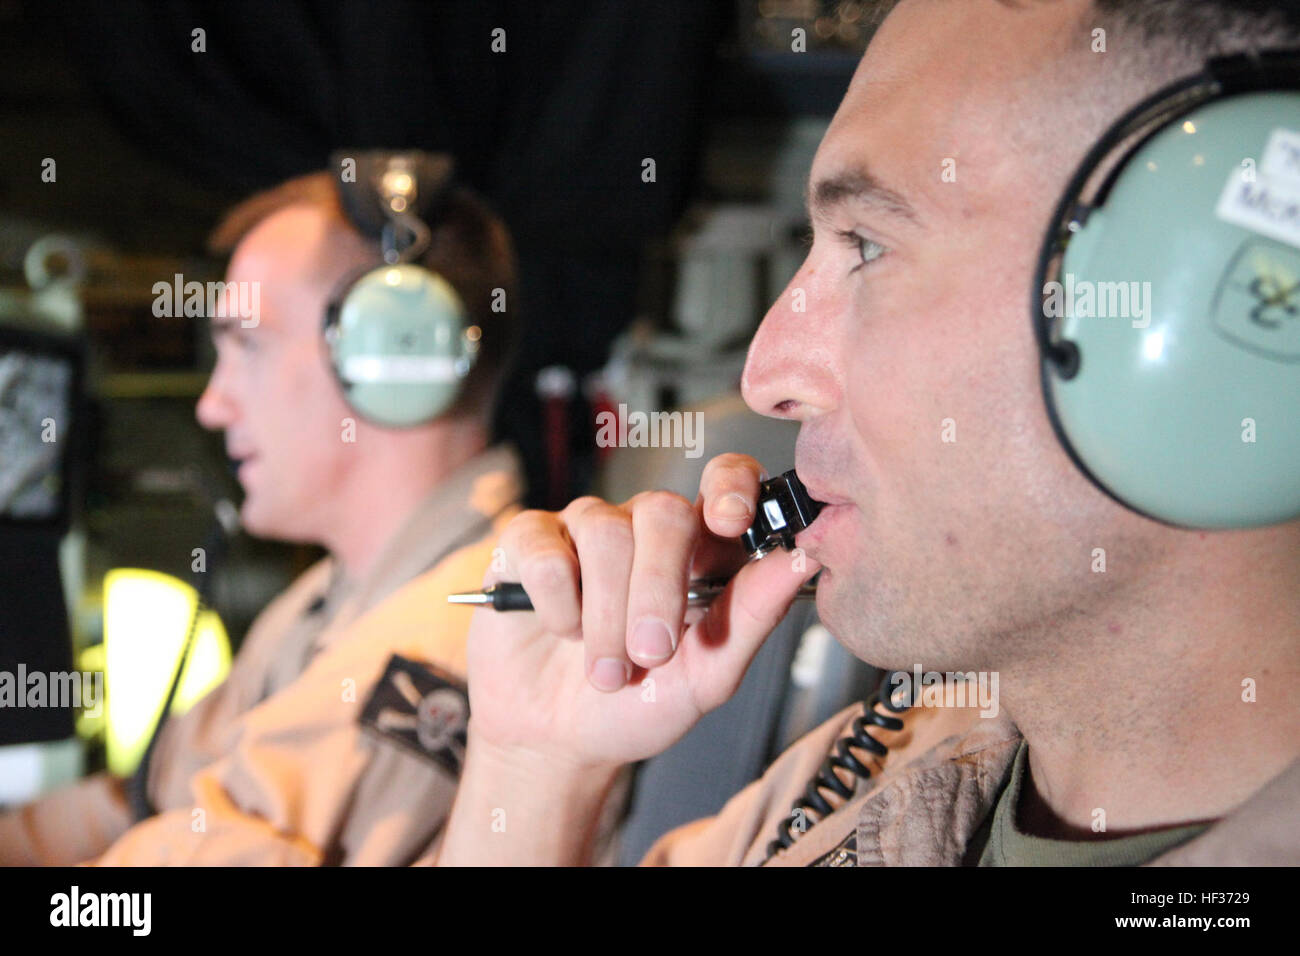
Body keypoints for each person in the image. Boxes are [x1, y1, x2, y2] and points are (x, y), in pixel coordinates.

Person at [435, 0, 1300, 866]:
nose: (767, 375)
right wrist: (539, 771)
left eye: (869, 245)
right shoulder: (867, 784)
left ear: (1202, 324)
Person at [0, 157, 524, 865]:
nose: (211, 405)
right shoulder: (326, 602)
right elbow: (147, 797)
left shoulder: (448, 643)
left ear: (395, 352)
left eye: (247, 344)